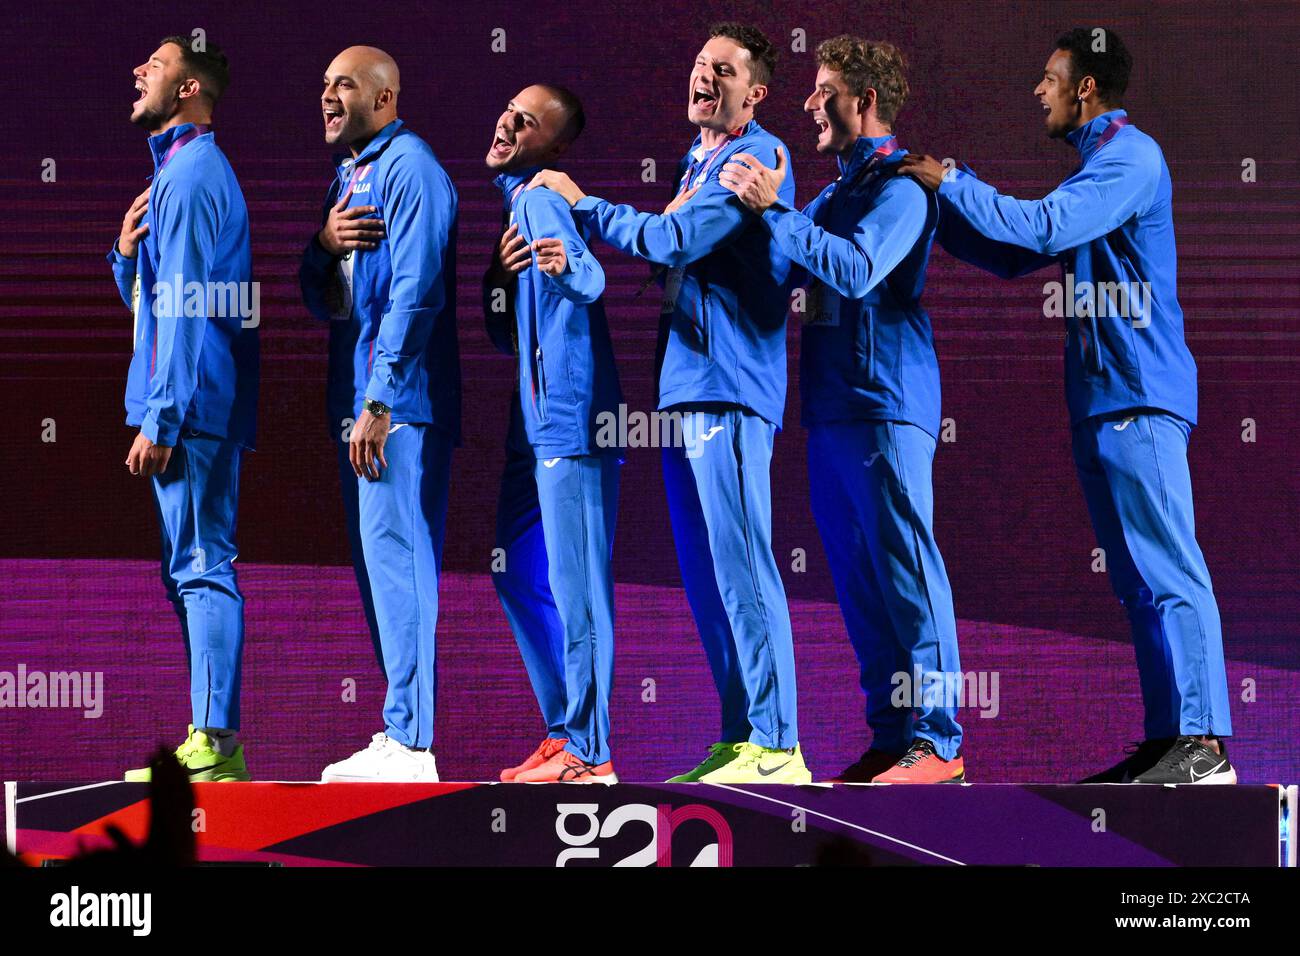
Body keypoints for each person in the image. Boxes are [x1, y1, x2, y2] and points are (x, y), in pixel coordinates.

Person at [902, 27, 1234, 784]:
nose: (1037, 90)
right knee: (1137, 579)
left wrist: (952, 180)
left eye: (1049, 78)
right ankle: (1168, 741)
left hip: (1140, 394)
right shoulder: (1095, 168)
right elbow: (1015, 251)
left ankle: (1205, 743)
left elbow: (1044, 225)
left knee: (1170, 568)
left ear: (1085, 87)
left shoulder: (1130, 157)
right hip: (1102, 397)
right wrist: (936, 206)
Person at [529, 22, 810, 784]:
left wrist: (581, 204)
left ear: (754, 94)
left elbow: (671, 240)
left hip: (729, 388)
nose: (706, 76)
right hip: (688, 390)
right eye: (699, 64)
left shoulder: (757, 155)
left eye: (725, 70)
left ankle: (780, 745)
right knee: (714, 575)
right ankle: (742, 734)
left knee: (746, 565)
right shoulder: (704, 157)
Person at [721, 36, 965, 783]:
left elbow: (857, 271)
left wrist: (773, 209)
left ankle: (940, 741)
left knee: (908, 573)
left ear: (862, 102)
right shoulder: (833, 192)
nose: (806, 104)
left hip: (887, 405)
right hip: (830, 411)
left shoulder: (900, 187)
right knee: (861, 582)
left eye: (822, 89)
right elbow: (785, 262)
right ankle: (892, 737)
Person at [300, 46, 461, 782]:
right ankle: (405, 732)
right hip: (366, 400)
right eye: (325, 85)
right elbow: (329, 301)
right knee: (386, 565)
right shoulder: (352, 174)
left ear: (386, 98)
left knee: (399, 561)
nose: (328, 96)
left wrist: (379, 397)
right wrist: (324, 245)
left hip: (396, 404)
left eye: (344, 85)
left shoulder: (411, 168)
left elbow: (417, 291)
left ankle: (410, 741)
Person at [109, 36, 258, 782]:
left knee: (204, 567)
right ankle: (209, 736)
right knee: (189, 570)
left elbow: (193, 310)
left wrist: (162, 418)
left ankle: (217, 744)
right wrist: (127, 253)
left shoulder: (194, 175)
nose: (139, 70)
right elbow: (154, 309)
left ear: (192, 88)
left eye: (157, 65)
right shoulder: (174, 173)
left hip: (192, 409)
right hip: (184, 402)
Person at [484, 84, 623, 783]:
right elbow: (502, 326)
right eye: (509, 110)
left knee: (578, 588)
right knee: (514, 571)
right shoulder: (517, 205)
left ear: (555, 146)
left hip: (573, 418)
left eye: (526, 121)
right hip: (537, 422)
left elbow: (591, 276)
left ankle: (590, 753)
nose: (507, 122)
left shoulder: (541, 197)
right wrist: (502, 278)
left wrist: (571, 266)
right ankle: (568, 726)